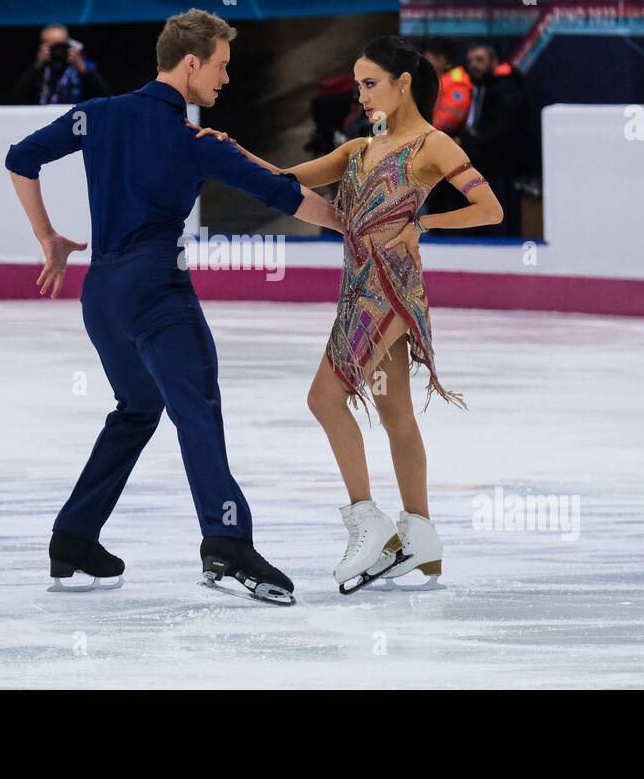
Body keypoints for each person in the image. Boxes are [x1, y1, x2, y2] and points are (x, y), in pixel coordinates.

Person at [4, 8, 342, 605]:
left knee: (137, 409)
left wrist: (49, 238)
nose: (225, 80)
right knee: (197, 408)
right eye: (220, 67)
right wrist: (356, 228)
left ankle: (74, 537)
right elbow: (287, 195)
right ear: (191, 63)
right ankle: (227, 543)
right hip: (157, 290)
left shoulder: (97, 115)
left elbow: (20, 157)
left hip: (101, 296)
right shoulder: (194, 142)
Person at [202, 37, 503, 593]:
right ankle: (421, 536)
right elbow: (284, 177)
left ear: (403, 83)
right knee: (395, 414)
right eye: (359, 85)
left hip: (388, 291)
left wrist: (424, 225)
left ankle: (369, 521)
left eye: (370, 84)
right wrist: (231, 149)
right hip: (357, 289)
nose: (362, 95)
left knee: (323, 398)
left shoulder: (433, 146)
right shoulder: (360, 150)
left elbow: (490, 208)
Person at [423, 43, 528, 237]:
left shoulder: (504, 88)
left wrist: (464, 144)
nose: (474, 65)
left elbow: (497, 130)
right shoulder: (479, 87)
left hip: (497, 163)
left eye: (480, 60)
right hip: (479, 155)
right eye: (470, 60)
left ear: (493, 61)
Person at [13, 23, 109, 105]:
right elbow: (17, 97)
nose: (57, 51)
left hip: (75, 120)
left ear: (68, 44)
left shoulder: (80, 67)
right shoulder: (37, 68)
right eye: (51, 45)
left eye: (60, 45)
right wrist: (36, 67)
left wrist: (82, 69)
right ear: (42, 46)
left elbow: (104, 95)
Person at [421, 37, 472, 136]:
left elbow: (449, 119)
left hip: (441, 140)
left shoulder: (458, 82)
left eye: (428, 59)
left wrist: (419, 132)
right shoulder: (436, 78)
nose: (424, 65)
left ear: (442, 59)